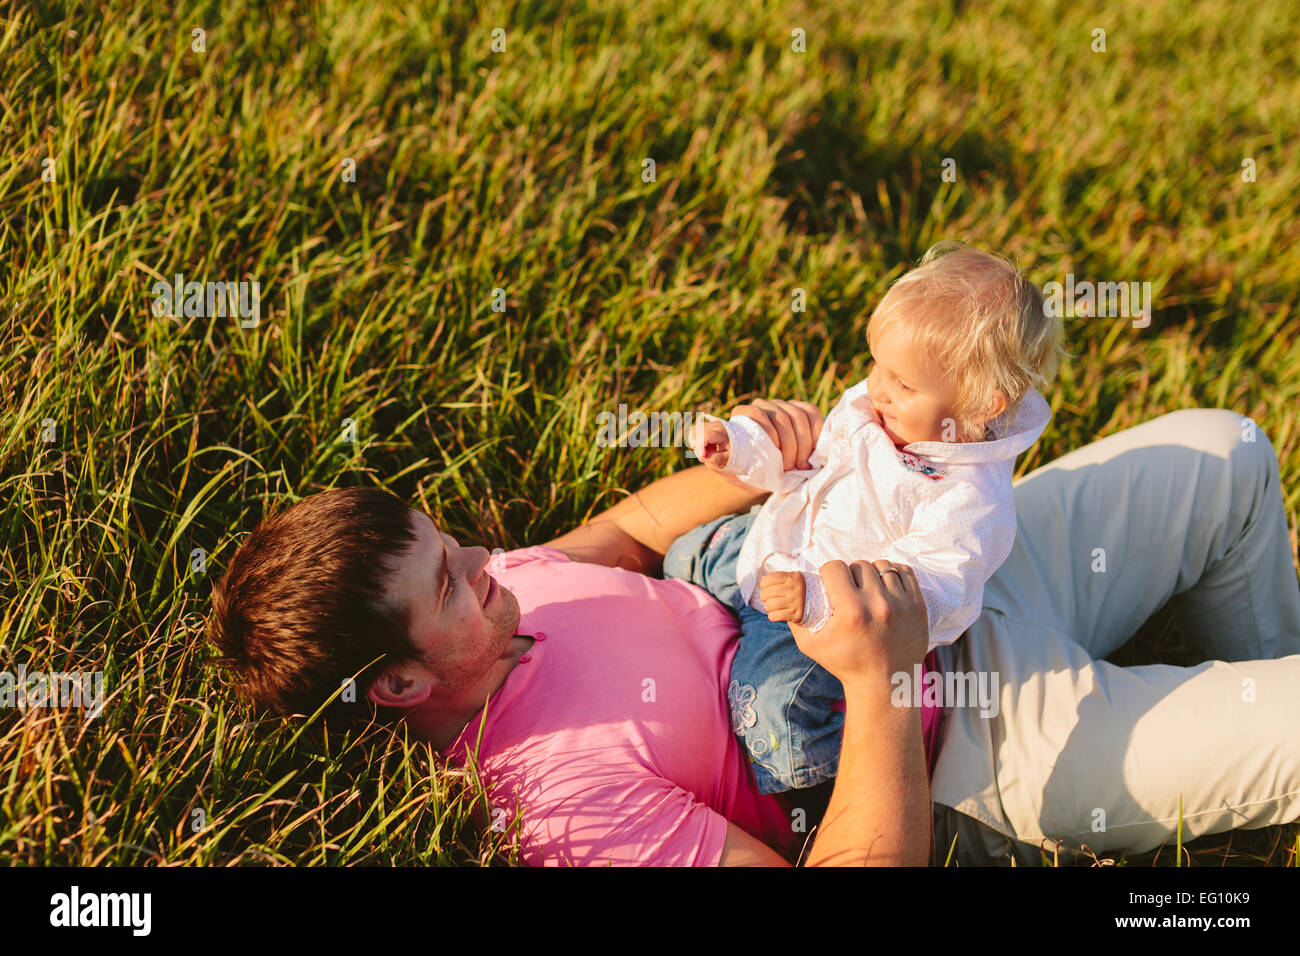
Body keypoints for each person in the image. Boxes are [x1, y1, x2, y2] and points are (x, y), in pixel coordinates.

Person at [207, 400, 1300, 865]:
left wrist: (761, 463)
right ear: (396, 685)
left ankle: (1236, 704)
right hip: (979, 742)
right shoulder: (555, 804)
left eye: (454, 541)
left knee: (1232, 452)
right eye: (449, 578)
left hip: (959, 571)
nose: (489, 560)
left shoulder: (513, 584)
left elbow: (632, 530)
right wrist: (875, 685)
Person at [684, 241, 1062, 794]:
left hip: (822, 620)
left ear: (984, 406)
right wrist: (740, 448)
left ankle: (814, 791)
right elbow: (810, 458)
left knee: (770, 705)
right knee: (685, 553)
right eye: (877, 366)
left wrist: (814, 597)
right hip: (776, 541)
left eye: (904, 384)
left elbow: (924, 592)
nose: (877, 389)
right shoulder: (880, 405)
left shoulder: (969, 502)